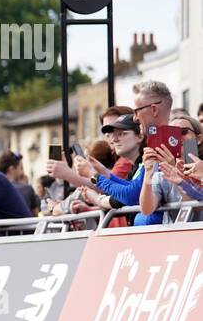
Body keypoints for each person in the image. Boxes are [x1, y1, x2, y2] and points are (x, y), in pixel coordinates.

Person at [49, 81, 172, 227]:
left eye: (137, 111)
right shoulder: (156, 144)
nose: (135, 118)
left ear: (154, 109)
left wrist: (94, 177)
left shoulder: (165, 144)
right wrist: (105, 173)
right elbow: (133, 188)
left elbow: (131, 195)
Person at [0, 151, 41, 216]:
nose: (22, 172)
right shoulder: (26, 189)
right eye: (21, 168)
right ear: (11, 169)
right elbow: (35, 216)